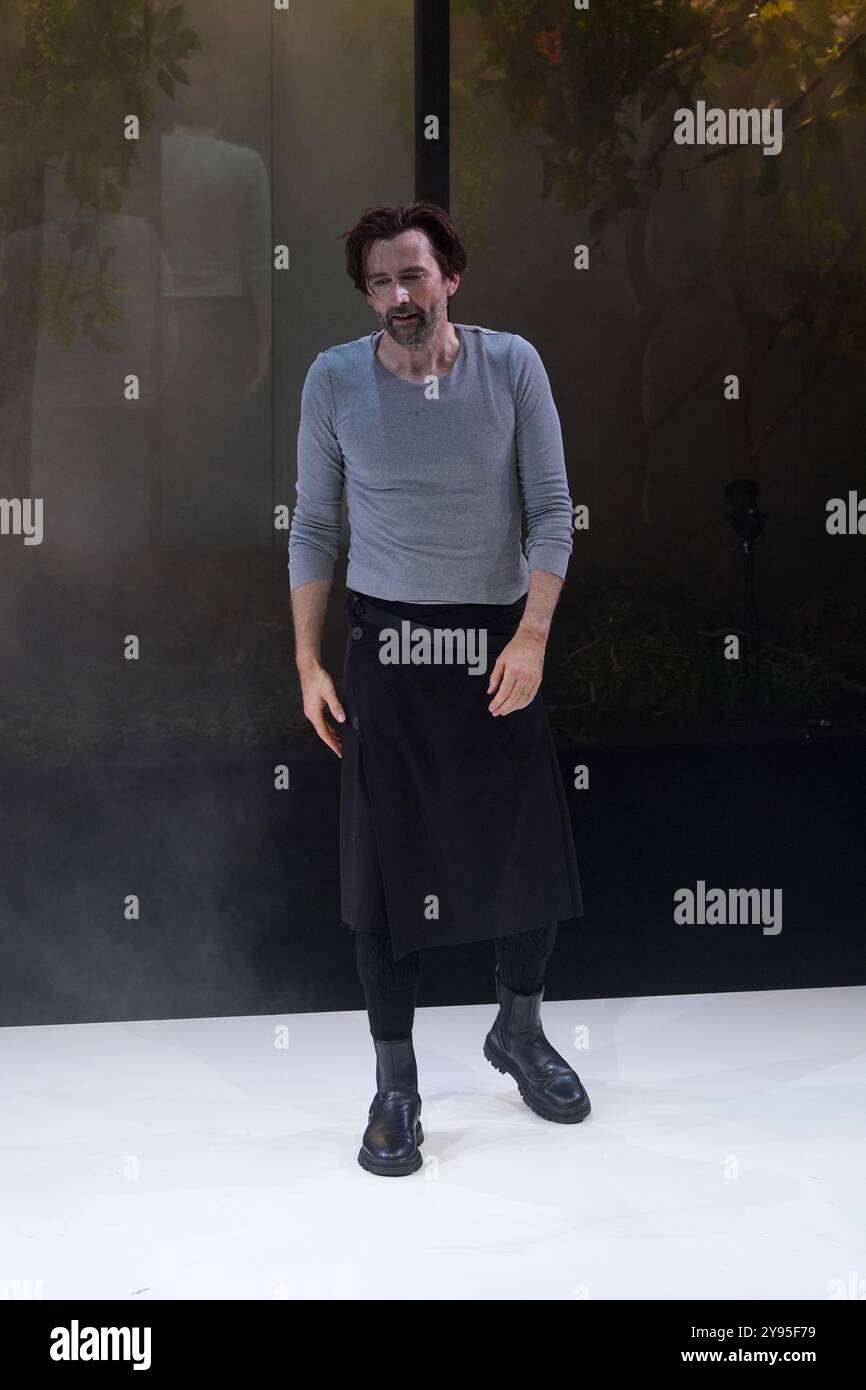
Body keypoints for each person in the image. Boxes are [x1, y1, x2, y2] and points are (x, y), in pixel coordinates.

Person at [288, 201, 589, 1177]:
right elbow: (313, 527)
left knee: (526, 859)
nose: (398, 296)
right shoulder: (334, 380)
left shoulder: (513, 366)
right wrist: (307, 662)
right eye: (379, 282)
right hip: (388, 648)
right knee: (383, 882)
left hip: (495, 646)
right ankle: (395, 1084)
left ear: (449, 276)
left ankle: (519, 1031)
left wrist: (532, 637)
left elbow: (552, 512)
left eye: (412, 275)